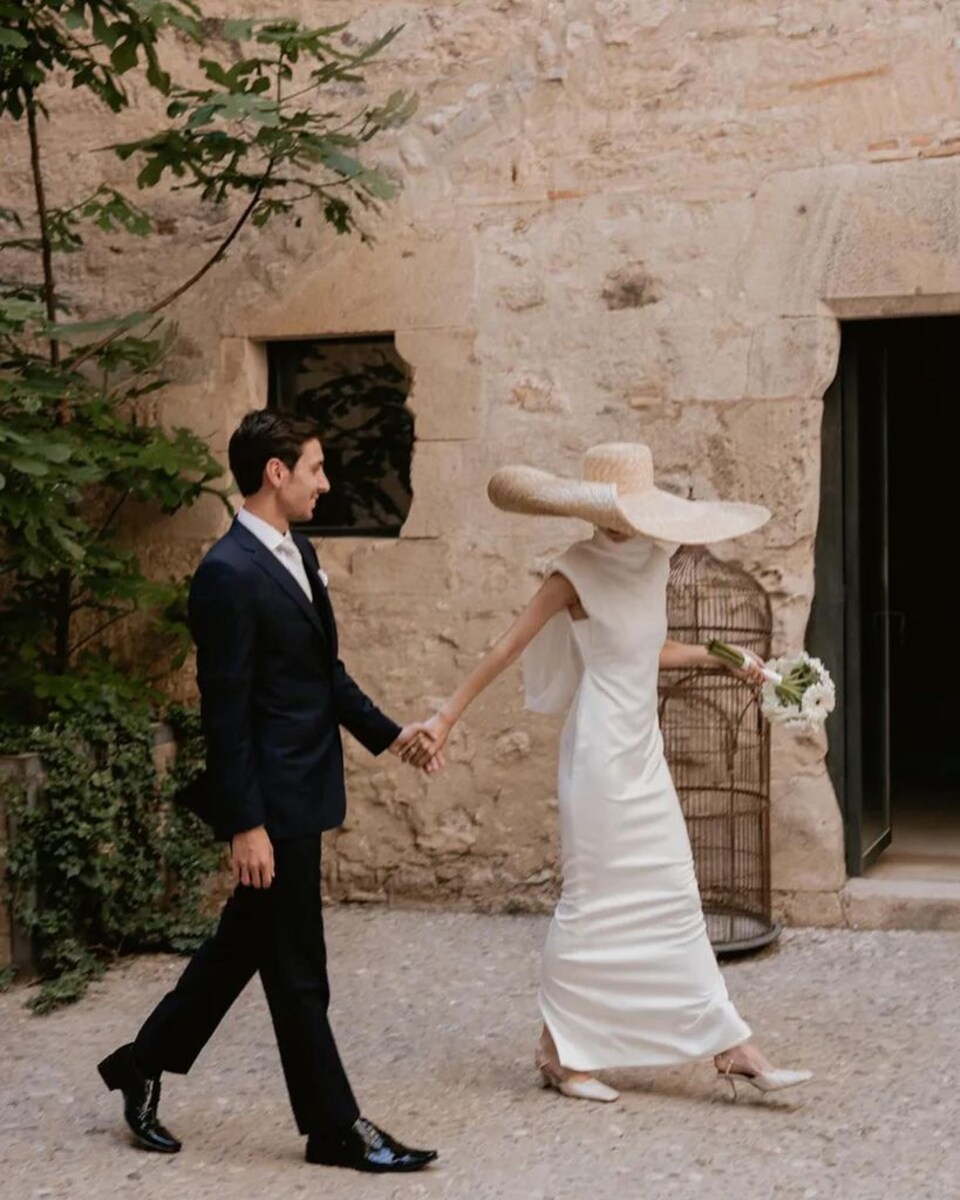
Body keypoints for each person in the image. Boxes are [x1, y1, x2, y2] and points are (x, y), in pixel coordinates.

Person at [404, 443, 811, 1103]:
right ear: (594, 509)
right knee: (592, 904)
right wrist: (445, 717)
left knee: (676, 894)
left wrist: (722, 652)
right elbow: (508, 647)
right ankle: (561, 1054)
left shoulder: (655, 562)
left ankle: (732, 1046)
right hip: (596, 754)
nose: (626, 522)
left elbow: (648, 650)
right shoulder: (574, 571)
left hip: (641, 749)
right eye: (617, 510)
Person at [98, 410, 440, 1172]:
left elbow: (325, 677)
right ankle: (334, 1128)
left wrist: (393, 737)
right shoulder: (225, 573)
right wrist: (243, 822)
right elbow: (225, 711)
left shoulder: (298, 551)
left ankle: (141, 1061)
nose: (326, 482)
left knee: (246, 945)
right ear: (276, 473)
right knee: (296, 966)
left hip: (304, 786)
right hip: (271, 801)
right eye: (316, 468)